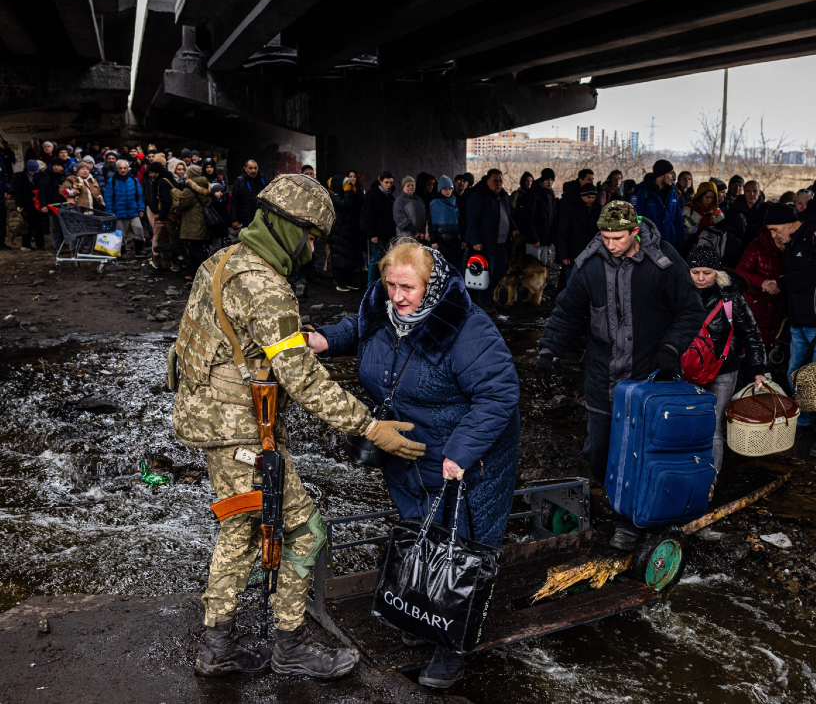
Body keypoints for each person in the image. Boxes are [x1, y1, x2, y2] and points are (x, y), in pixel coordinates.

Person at [176, 174, 424, 680]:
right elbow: (303, 379)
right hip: (241, 432)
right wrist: (369, 427)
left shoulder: (222, 261)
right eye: (310, 236)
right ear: (289, 228)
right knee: (307, 530)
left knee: (240, 531)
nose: (312, 248)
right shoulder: (267, 285)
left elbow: (202, 345)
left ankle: (217, 645)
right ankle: (288, 646)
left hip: (209, 422)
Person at [308, 238, 519, 689]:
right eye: (390, 285)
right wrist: (325, 339)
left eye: (408, 287)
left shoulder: (466, 328)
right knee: (421, 533)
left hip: (465, 461)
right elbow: (360, 328)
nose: (398, 296)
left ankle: (453, 646)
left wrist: (461, 452)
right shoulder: (383, 308)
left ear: (433, 284)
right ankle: (425, 617)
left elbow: (499, 395)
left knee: (460, 547)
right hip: (407, 452)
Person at [536, 201, 705, 551]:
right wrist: (547, 351)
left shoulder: (663, 262)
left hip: (647, 377)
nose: (610, 244)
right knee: (599, 449)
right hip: (602, 375)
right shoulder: (591, 264)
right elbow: (567, 311)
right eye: (605, 236)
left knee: (638, 451)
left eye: (617, 237)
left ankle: (629, 522)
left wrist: (672, 349)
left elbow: (691, 310)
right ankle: (610, 495)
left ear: (635, 232)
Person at [766, 198, 816, 458]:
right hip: (800, 322)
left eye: (775, 229)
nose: (773, 234)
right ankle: (804, 422)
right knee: (797, 374)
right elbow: (802, 275)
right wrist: (779, 281)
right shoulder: (794, 242)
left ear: (791, 223)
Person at [686, 246, 767, 473]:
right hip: (687, 370)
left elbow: (751, 333)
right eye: (695, 272)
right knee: (686, 422)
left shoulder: (731, 298)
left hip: (723, 370)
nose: (701, 278)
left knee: (713, 427)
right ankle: (686, 475)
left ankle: (709, 480)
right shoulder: (679, 293)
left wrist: (758, 369)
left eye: (707, 272)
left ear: (717, 273)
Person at [465, 169, 517, 308]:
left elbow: (508, 215)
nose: (498, 184)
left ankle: (487, 298)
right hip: (486, 243)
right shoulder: (479, 195)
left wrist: (514, 228)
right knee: (486, 274)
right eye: (495, 181)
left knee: (501, 269)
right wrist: (475, 241)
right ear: (487, 181)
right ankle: (484, 302)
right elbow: (472, 220)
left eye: (500, 181)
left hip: (502, 243)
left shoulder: (503, 196)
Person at [736, 215, 788, 348]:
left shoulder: (791, 249)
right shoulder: (756, 247)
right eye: (780, 241)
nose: (784, 245)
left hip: (780, 310)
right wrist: (762, 282)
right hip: (757, 306)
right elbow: (741, 271)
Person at [629, 159, 684, 249]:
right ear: (662, 174)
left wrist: (681, 247)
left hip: (670, 245)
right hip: (649, 245)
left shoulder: (673, 193)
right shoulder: (642, 192)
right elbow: (633, 220)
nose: (673, 177)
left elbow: (678, 221)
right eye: (670, 173)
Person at [556, 181, 600, 284]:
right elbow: (563, 232)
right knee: (572, 281)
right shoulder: (571, 209)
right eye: (588, 197)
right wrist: (564, 254)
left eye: (593, 197)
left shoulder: (597, 209)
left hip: (591, 252)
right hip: (573, 252)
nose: (591, 200)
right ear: (582, 196)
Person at [174, 164, 212, 280]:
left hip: (193, 223)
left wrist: (175, 197)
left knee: (195, 250)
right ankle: (196, 273)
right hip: (202, 222)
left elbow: (182, 204)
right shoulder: (206, 183)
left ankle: (208, 271)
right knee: (197, 248)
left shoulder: (190, 187)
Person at [326, 175, 364, 291]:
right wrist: (347, 191)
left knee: (349, 257)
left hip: (348, 231)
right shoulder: (334, 197)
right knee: (340, 258)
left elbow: (358, 204)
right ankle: (340, 282)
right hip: (339, 232)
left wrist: (354, 191)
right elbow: (345, 205)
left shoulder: (344, 195)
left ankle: (348, 281)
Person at [104, 159, 145, 258]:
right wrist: (110, 213)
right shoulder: (112, 181)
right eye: (120, 168)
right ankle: (121, 252)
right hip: (119, 212)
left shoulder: (134, 181)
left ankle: (140, 251)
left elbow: (139, 196)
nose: (123, 170)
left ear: (128, 169)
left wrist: (141, 209)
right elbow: (108, 199)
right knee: (120, 234)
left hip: (133, 211)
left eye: (125, 168)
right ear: (117, 169)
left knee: (139, 230)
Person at [362, 172, 396, 286]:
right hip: (377, 234)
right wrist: (372, 234)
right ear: (380, 181)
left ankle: (381, 284)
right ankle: (371, 285)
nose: (389, 185)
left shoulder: (389, 196)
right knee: (374, 260)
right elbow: (367, 216)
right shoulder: (372, 195)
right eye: (386, 182)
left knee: (384, 260)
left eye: (391, 182)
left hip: (387, 234)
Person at [518, 167, 556, 264]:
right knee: (533, 267)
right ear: (542, 179)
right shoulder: (533, 194)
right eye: (547, 179)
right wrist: (533, 237)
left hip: (545, 237)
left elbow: (552, 216)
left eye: (552, 180)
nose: (550, 182)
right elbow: (528, 217)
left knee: (542, 265)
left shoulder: (550, 194)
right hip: (535, 239)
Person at [11, 159, 49, 250]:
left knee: (39, 225)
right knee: (27, 225)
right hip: (26, 203)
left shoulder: (41, 175)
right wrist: (19, 204)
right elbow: (17, 192)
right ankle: (26, 245)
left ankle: (40, 244)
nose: (32, 173)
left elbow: (43, 188)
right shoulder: (20, 177)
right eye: (31, 171)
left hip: (37, 203)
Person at [428, 175, 463, 271]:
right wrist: (434, 241)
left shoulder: (455, 201)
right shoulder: (434, 203)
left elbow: (460, 221)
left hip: (455, 240)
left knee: (456, 266)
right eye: (445, 189)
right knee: (443, 267)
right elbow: (431, 224)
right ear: (440, 189)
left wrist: (462, 238)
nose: (448, 191)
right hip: (441, 240)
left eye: (449, 188)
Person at [231, 159, 267, 230]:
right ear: (245, 169)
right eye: (250, 168)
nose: (253, 170)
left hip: (260, 220)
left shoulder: (263, 180)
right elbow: (234, 202)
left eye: (255, 168)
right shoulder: (240, 182)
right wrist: (234, 219)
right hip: (245, 220)